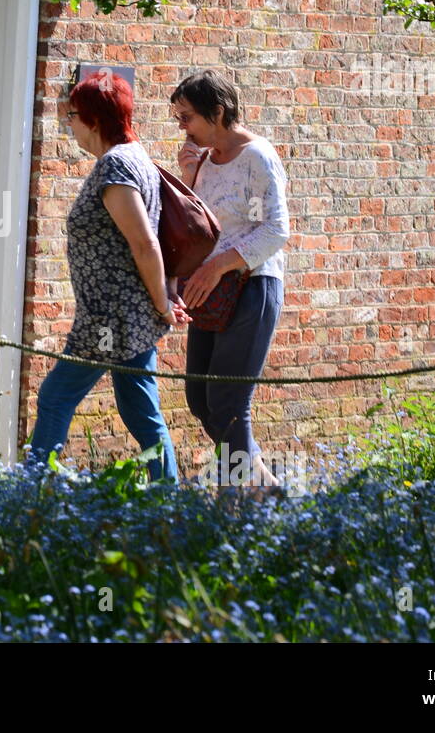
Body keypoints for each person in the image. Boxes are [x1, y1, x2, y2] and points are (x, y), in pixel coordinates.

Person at [29, 70, 191, 482]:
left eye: (73, 117)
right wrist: (158, 302)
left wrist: (162, 302)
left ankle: (32, 492)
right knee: (140, 409)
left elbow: (145, 243)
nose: (70, 126)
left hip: (112, 319)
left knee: (55, 395)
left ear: (94, 121)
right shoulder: (135, 158)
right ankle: (167, 498)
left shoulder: (116, 166)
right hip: (128, 314)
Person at [172, 69, 290, 492]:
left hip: (252, 285)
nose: (182, 127)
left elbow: (276, 230)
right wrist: (187, 179)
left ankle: (241, 495)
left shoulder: (257, 156)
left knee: (228, 400)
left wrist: (219, 266)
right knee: (200, 398)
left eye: (187, 117)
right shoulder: (203, 161)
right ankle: (261, 484)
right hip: (208, 291)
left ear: (217, 112)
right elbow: (194, 228)